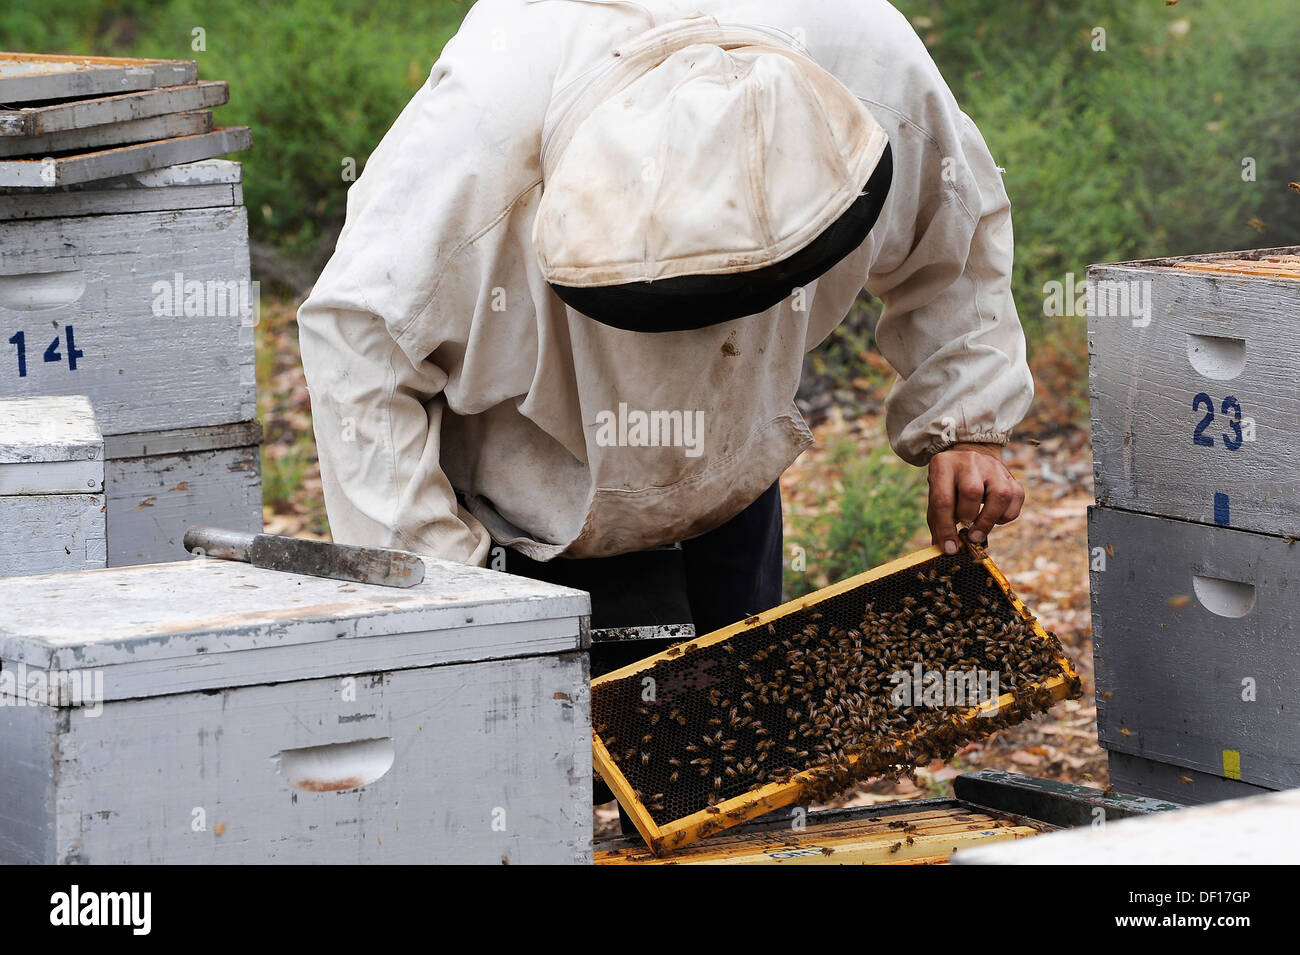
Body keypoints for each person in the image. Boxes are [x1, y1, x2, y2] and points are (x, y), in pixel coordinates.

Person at [297, 0, 1031, 668]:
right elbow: (358, 342)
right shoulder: (480, 142)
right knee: (535, 780)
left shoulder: (862, 55)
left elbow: (954, 219)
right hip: (522, 509)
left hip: (735, 474)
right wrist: (446, 590)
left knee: (728, 757)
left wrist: (965, 420)